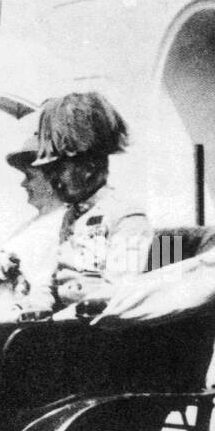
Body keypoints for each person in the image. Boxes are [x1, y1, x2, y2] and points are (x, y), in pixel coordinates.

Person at [32, 91, 153, 308]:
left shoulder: (126, 217)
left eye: (58, 169)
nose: (52, 180)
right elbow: (53, 279)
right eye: (48, 171)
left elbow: (118, 294)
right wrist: (34, 305)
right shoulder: (72, 215)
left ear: (90, 167)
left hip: (98, 332)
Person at [0, 112, 68, 321]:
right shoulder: (27, 227)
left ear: (53, 180)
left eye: (30, 177)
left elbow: (42, 290)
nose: (23, 184)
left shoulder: (65, 224)